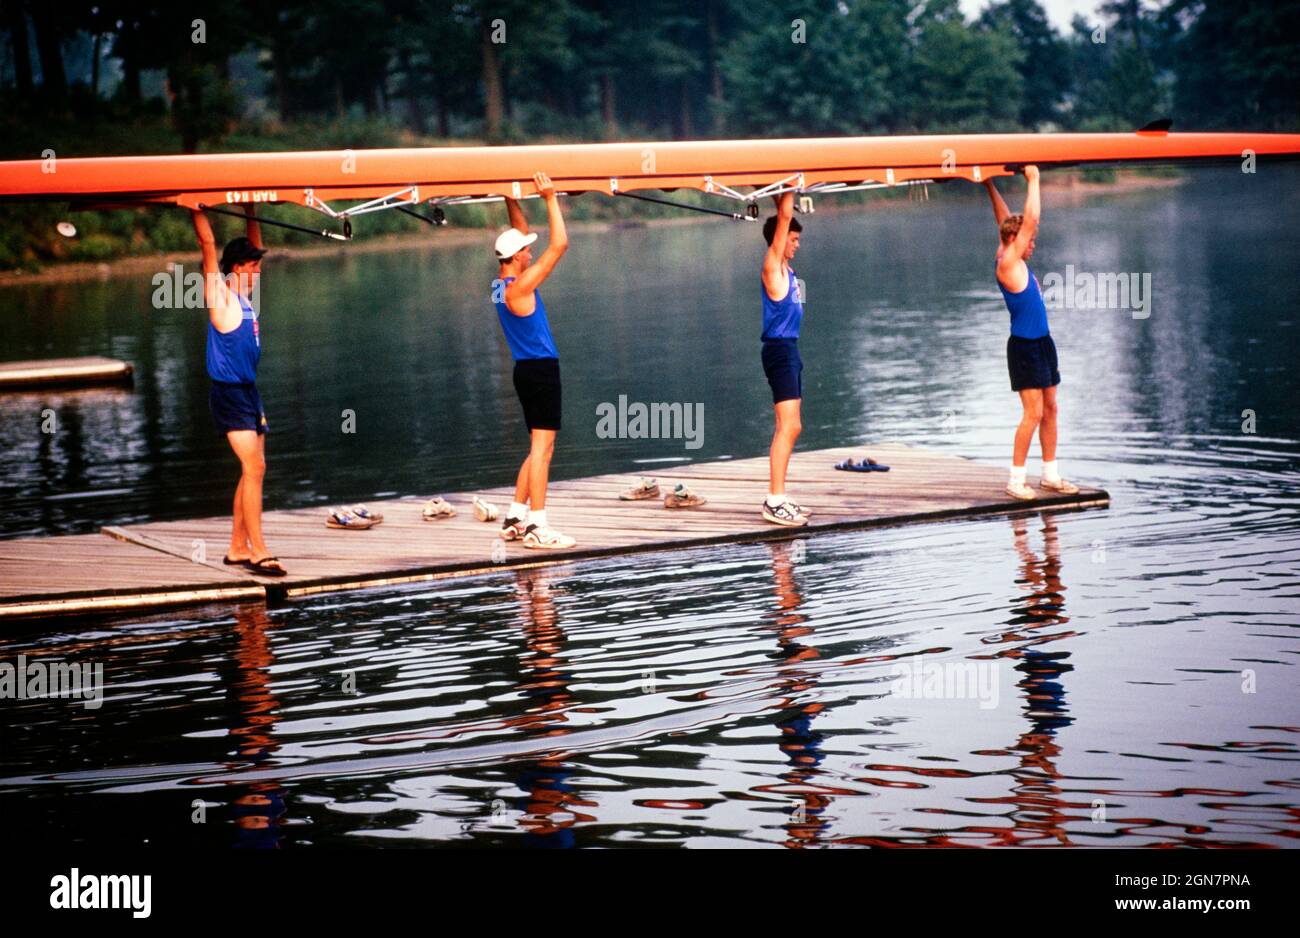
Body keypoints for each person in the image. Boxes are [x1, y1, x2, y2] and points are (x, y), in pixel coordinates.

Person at [191, 205, 286, 576]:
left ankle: (236, 548)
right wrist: (193, 207)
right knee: (254, 466)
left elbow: (255, 242)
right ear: (236, 269)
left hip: (249, 392)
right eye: (253, 266)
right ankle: (258, 551)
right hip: (229, 393)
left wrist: (252, 206)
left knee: (253, 471)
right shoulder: (220, 297)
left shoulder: (246, 300)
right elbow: (208, 243)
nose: (258, 272)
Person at [983, 165, 1079, 500]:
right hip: (1023, 346)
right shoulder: (1007, 261)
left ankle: (1050, 475)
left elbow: (1005, 218)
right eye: (1029, 239)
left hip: (1043, 342)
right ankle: (1015, 480)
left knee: (1051, 407)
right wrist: (1034, 179)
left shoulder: (1010, 249)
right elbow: (1030, 218)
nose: (1033, 244)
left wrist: (988, 184)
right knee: (1033, 413)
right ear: (1014, 239)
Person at [492, 171, 576, 549]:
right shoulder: (520, 287)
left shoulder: (500, 282)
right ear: (515, 258)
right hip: (540, 372)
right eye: (525, 251)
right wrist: (549, 196)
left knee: (537, 447)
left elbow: (519, 231)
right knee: (543, 451)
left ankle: (515, 515)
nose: (530, 253)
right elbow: (559, 244)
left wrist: (510, 195)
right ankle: (537, 526)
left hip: (526, 371)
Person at [760, 191, 810, 525]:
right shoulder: (772, 268)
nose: (797, 244)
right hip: (779, 350)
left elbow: (783, 215)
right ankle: (774, 500)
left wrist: (779, 192)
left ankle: (779, 495)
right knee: (789, 426)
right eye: (792, 239)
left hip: (790, 349)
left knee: (792, 426)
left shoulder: (790, 272)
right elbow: (782, 219)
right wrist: (790, 185)